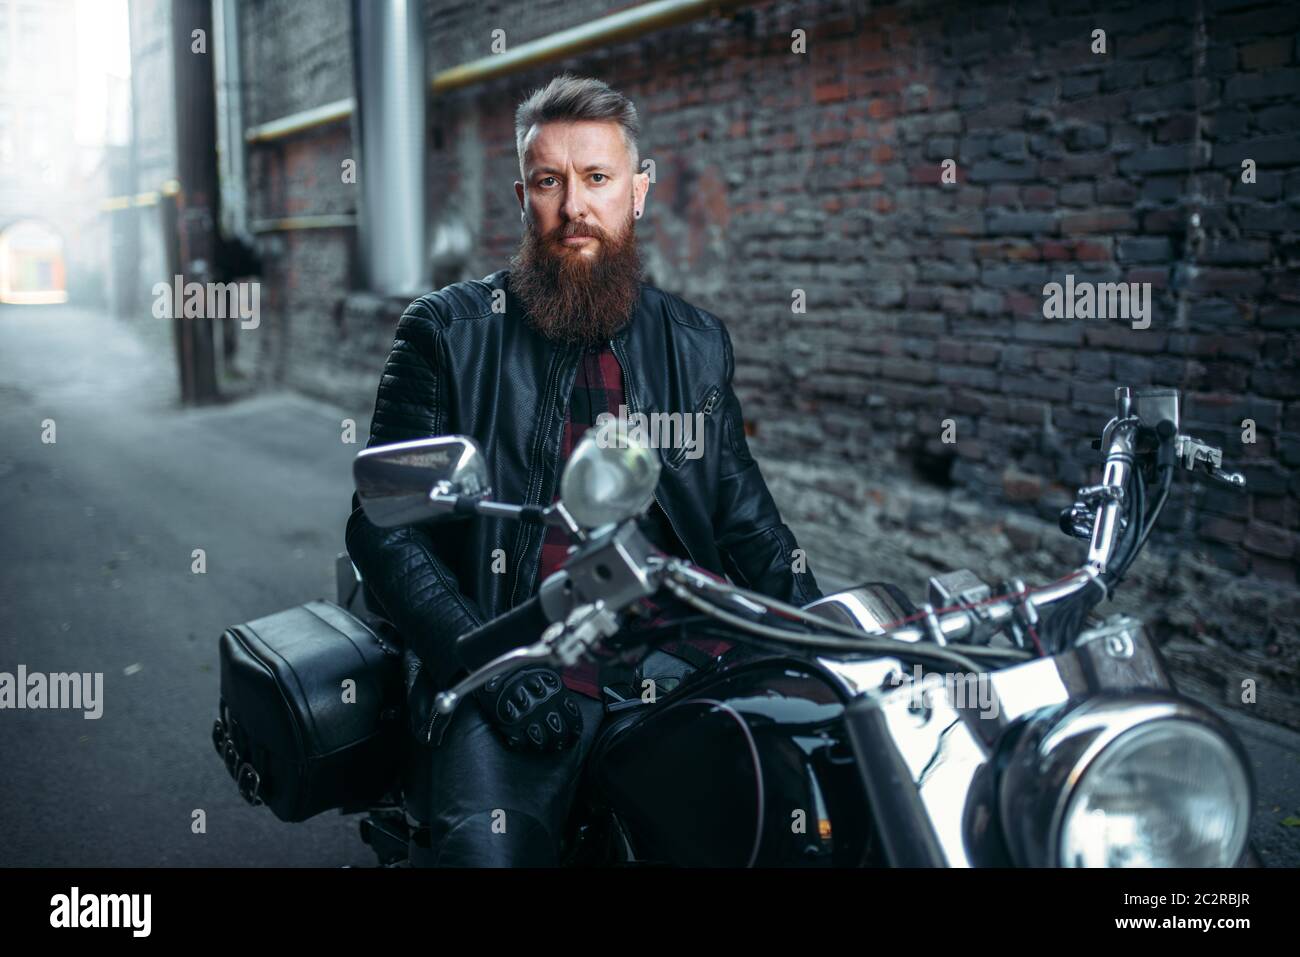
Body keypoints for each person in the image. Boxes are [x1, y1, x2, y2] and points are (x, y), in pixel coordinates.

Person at [345, 74, 821, 866]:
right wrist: (485, 663)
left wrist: (832, 634)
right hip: (519, 656)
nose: (575, 207)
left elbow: (749, 526)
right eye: (549, 182)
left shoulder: (695, 343)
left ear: (638, 191)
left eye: (598, 178)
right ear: (522, 197)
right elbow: (380, 527)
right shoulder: (449, 332)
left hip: (682, 651)